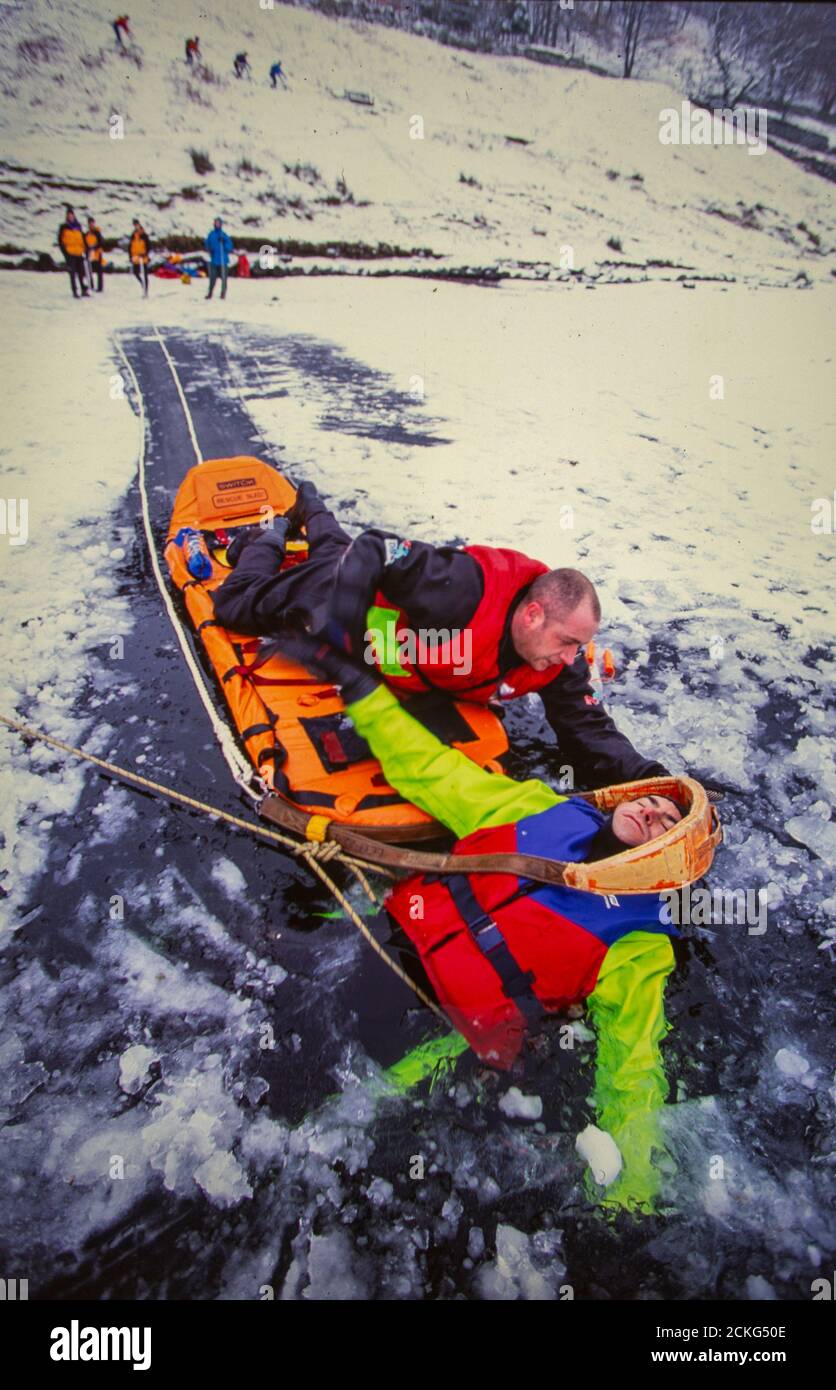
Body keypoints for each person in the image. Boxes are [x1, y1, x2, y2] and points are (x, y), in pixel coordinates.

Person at [275, 629, 690, 1214]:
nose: (651, 811)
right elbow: (430, 769)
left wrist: (634, 1178)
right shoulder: (536, 809)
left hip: (443, 1023)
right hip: (384, 939)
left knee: (338, 1113)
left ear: (666, 861)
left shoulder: (640, 943)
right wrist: (360, 686)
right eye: (652, 801)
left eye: (667, 822)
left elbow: (634, 1063)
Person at [211, 484, 669, 790]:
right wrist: (339, 630)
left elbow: (585, 726)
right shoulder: (462, 588)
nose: (572, 659)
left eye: (577, 646)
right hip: (331, 594)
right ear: (532, 615)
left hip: (395, 644)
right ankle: (267, 538)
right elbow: (375, 548)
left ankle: (311, 507)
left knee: (335, 548)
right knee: (233, 605)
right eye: (567, 642)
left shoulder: (555, 658)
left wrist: (650, 779)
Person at [56, 206, 89, 298]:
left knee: (81, 272)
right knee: (72, 272)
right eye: (69, 215)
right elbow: (60, 241)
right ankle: (75, 290)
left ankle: (84, 289)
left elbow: (83, 239)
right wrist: (65, 252)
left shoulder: (78, 227)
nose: (70, 217)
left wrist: (85, 250)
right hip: (70, 253)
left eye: (72, 215)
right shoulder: (63, 227)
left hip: (79, 252)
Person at [204, 217, 234, 300]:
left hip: (223, 260)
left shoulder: (223, 235)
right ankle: (210, 293)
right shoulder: (211, 234)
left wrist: (224, 243)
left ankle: (223, 293)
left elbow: (230, 246)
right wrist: (208, 248)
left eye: (219, 223)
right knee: (212, 278)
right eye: (216, 223)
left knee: (224, 278)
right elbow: (207, 244)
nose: (217, 224)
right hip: (214, 260)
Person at [129, 218, 150, 296]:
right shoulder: (133, 235)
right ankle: (142, 284)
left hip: (143, 257)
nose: (136, 226)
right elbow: (130, 247)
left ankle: (146, 290)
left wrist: (145, 254)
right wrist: (130, 256)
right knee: (135, 272)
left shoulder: (144, 235)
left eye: (137, 224)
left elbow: (148, 246)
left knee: (145, 274)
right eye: (134, 225)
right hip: (135, 257)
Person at [85, 215, 105, 293]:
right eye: (90, 223)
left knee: (99, 270)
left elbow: (101, 242)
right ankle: (91, 285)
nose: (91, 225)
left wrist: (94, 247)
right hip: (90, 254)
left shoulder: (97, 232)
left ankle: (100, 287)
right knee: (90, 270)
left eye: (92, 223)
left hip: (97, 253)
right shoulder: (87, 233)